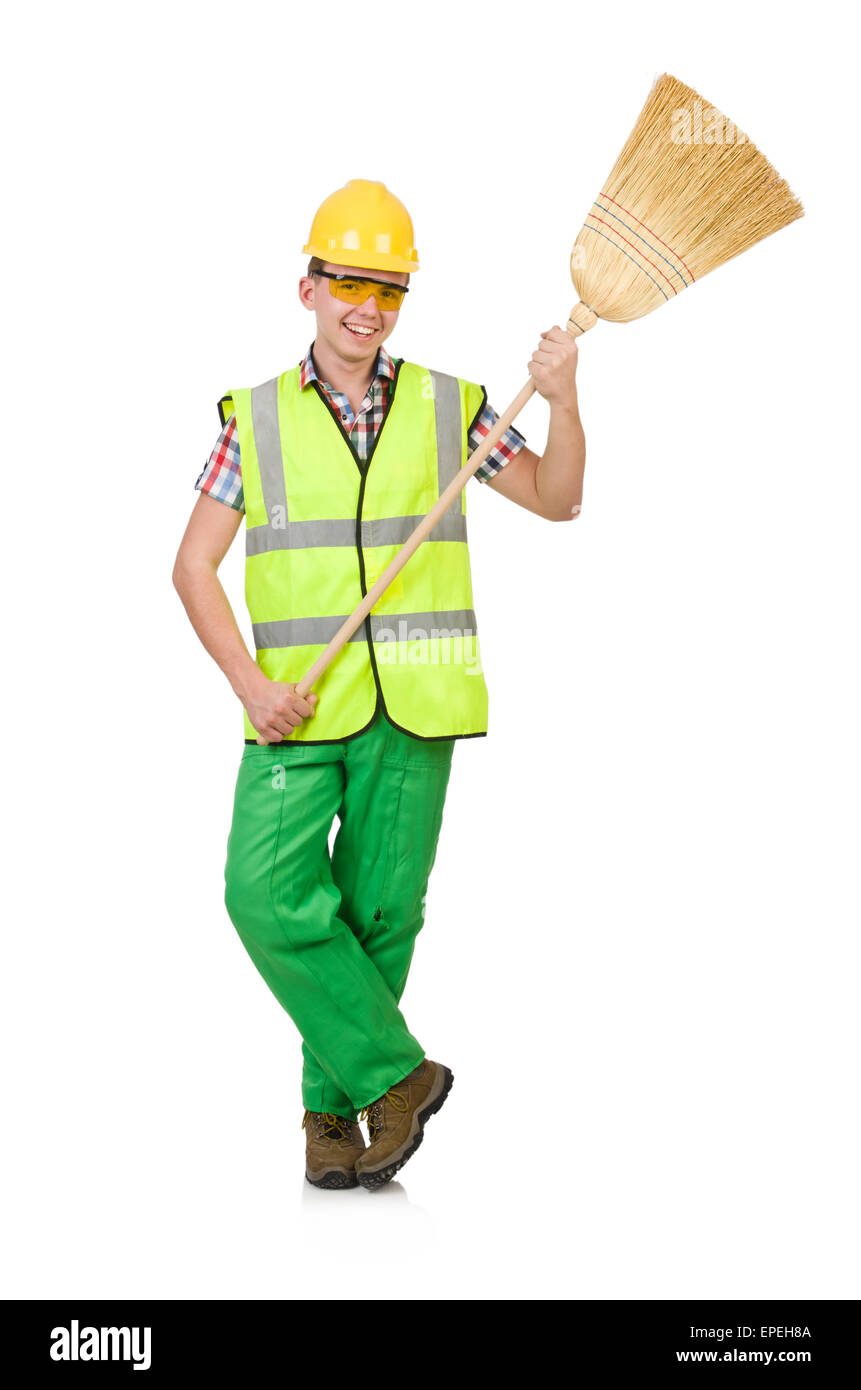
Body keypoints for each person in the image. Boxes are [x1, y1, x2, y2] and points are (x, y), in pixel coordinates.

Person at [172, 179, 586, 1191]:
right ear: (307, 287)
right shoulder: (256, 419)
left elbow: (558, 499)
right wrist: (249, 684)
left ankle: (330, 1117)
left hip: (421, 700)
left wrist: (565, 397)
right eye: (350, 282)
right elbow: (192, 567)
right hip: (297, 709)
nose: (369, 305)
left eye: (388, 289)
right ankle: (398, 1075)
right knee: (262, 895)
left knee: (380, 916)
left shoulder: (456, 408)